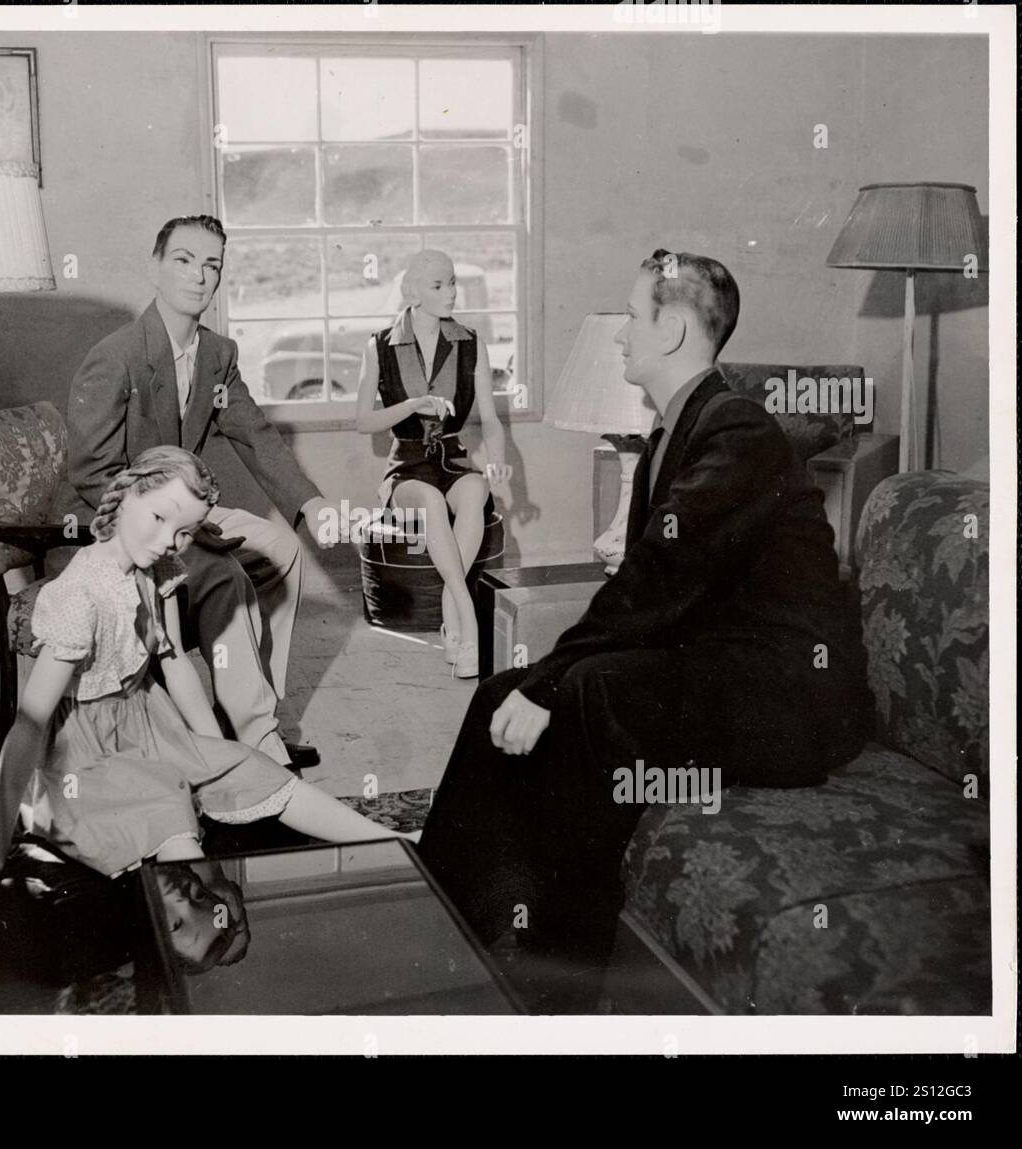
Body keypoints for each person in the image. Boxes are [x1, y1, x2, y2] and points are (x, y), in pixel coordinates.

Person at [416, 250, 871, 1008]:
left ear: (673, 331)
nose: (621, 336)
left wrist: (551, 678)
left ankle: (558, 983)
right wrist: (532, 684)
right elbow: (658, 588)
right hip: (731, 669)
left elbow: (656, 579)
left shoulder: (739, 433)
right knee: (500, 691)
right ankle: (442, 926)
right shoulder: (678, 428)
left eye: (632, 316)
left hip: (795, 699)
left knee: (590, 692)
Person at [0, 448, 415, 922]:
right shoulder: (77, 597)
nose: (169, 541)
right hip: (84, 754)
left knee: (258, 771)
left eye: (184, 532)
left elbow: (176, 667)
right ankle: (187, 945)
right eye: (159, 518)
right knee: (173, 823)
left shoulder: (160, 567)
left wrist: (217, 757)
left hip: (149, 720)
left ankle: (402, 844)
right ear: (128, 496)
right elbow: (29, 727)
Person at [67, 214, 341, 770]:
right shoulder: (117, 356)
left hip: (188, 514)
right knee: (222, 571)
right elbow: (92, 473)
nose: (198, 276)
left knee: (282, 549)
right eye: (183, 260)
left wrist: (311, 502)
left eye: (211, 265)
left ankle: (249, 709)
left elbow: (256, 435)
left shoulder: (218, 354)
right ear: (155, 267)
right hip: (121, 523)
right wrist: (169, 526)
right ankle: (257, 745)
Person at [354, 250, 512, 677]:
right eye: (438, 285)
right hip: (406, 469)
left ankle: (450, 617)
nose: (452, 293)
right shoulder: (379, 345)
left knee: (478, 490)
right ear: (413, 292)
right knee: (430, 502)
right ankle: (466, 614)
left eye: (453, 282)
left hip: (454, 460)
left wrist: (496, 463)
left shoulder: (470, 342)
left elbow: (492, 422)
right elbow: (362, 421)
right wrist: (414, 404)